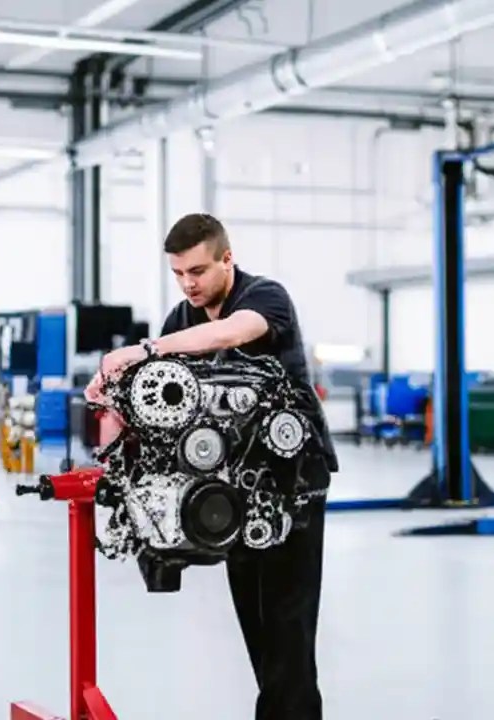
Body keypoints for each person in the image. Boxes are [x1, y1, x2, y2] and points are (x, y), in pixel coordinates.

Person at [87, 212, 337, 720]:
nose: (188, 284)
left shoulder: (265, 296)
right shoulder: (181, 318)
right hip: (228, 491)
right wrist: (112, 397)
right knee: (257, 627)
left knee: (288, 628)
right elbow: (153, 399)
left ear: (228, 258)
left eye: (198, 271)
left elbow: (233, 333)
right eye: (178, 274)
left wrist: (147, 349)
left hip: (290, 484)